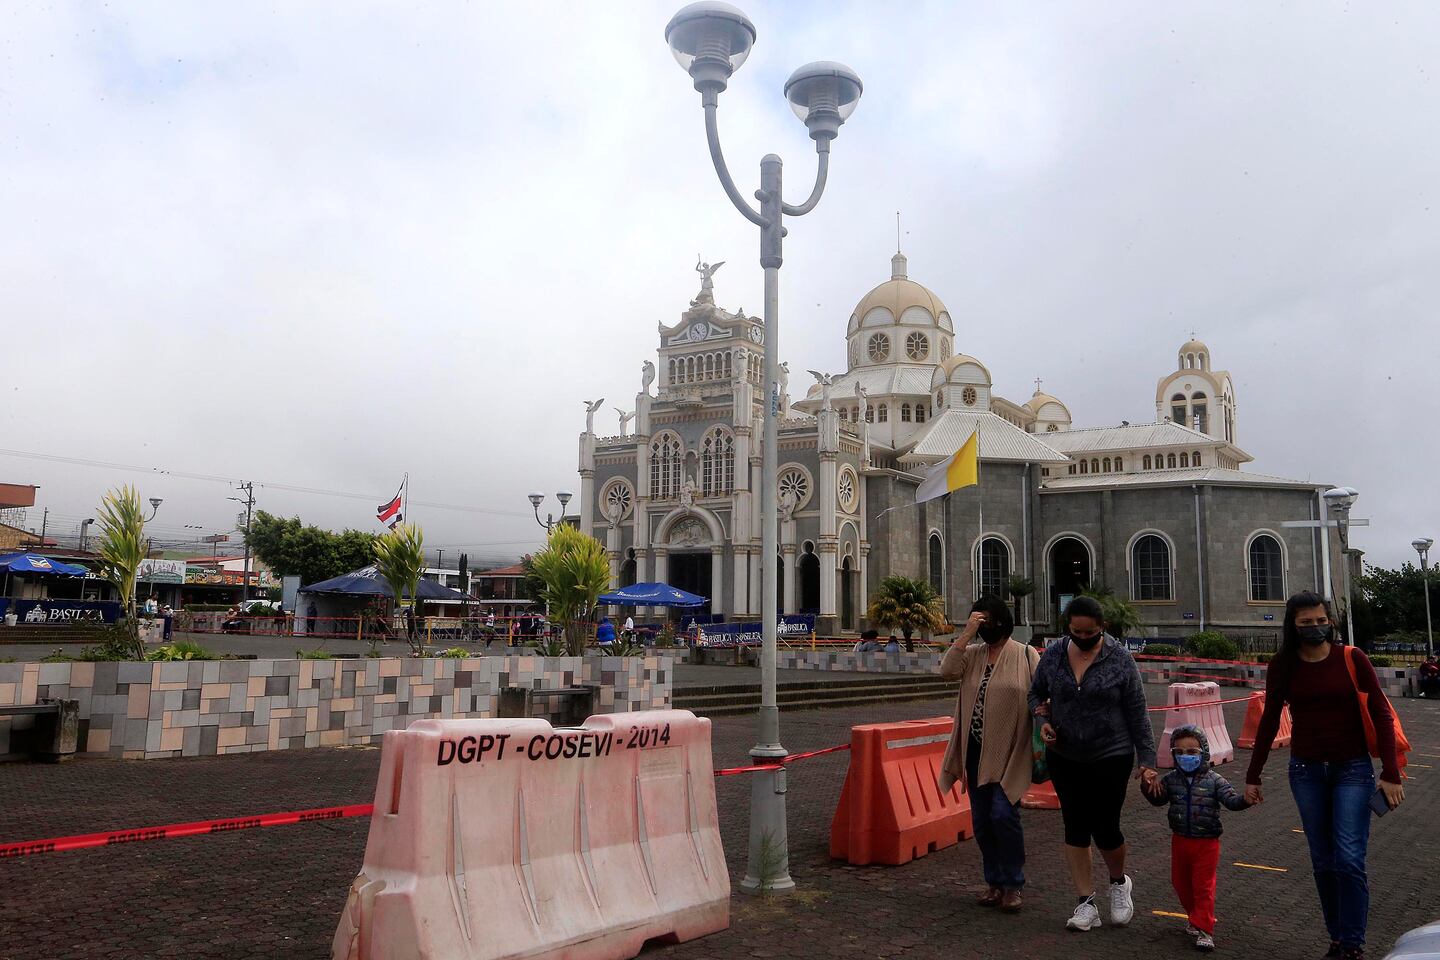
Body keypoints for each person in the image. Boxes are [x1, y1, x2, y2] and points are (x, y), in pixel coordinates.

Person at [1244, 591, 1404, 960]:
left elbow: (1380, 711)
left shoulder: (1351, 658)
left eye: (1321, 621)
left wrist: (1391, 772)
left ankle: (1352, 945)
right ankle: (1337, 938)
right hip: (1306, 771)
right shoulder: (1284, 665)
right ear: (1293, 625)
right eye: (1306, 623)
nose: (1315, 628)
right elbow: (1269, 721)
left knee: (1348, 858)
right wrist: (1253, 775)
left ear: (1330, 621)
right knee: (1323, 861)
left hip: (1353, 768)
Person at [1028, 594, 1158, 932]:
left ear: (1102, 628)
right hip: (1065, 754)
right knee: (1074, 825)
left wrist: (1147, 760)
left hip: (1111, 753)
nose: (1083, 639)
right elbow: (1035, 692)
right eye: (1076, 632)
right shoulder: (1054, 654)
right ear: (1067, 628)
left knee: (1106, 826)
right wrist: (1040, 715)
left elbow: (1138, 713)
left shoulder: (1120, 659)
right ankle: (1086, 902)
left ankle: (1119, 883)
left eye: (1090, 633)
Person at [939, 596, 1040, 913]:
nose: (982, 628)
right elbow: (946, 671)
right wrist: (966, 634)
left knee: (1003, 815)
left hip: (1011, 753)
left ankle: (1013, 884)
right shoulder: (971, 654)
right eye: (976, 622)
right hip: (975, 752)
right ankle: (994, 883)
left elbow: (1041, 695)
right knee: (982, 822)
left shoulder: (1025, 654)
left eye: (985, 622)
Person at [1142, 724, 1252, 951]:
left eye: (1192, 752)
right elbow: (1158, 800)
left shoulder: (1215, 780)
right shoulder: (1171, 779)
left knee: (1203, 886)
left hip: (1207, 843)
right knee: (1181, 883)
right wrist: (1147, 785)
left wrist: (1246, 800)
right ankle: (1195, 916)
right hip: (1180, 840)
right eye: (1179, 752)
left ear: (1203, 752)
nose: (1185, 756)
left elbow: (1231, 801)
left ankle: (1205, 929)